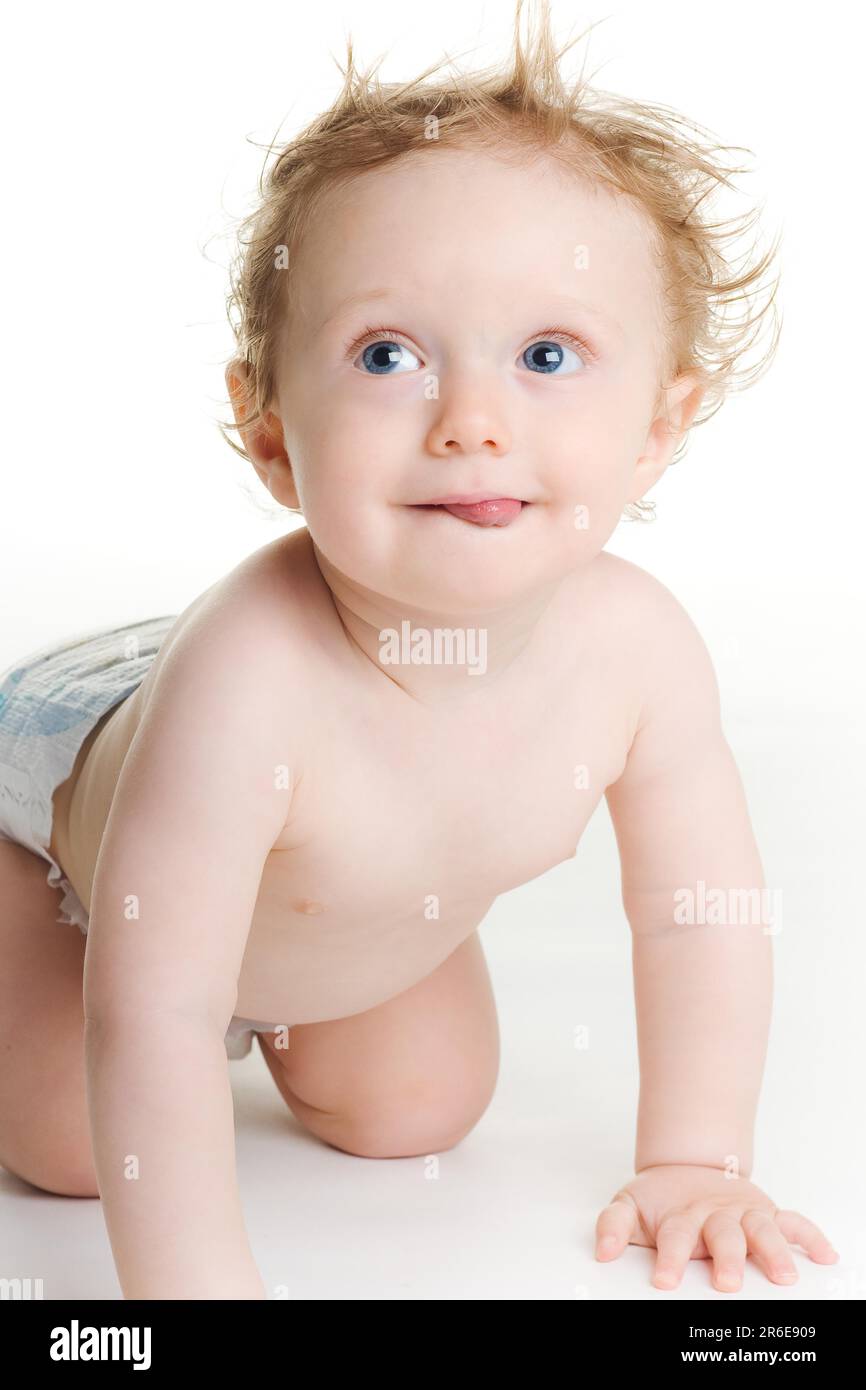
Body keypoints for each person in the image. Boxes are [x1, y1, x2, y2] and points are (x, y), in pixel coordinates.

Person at [0, 0, 837, 1298]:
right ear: (273, 433)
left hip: (343, 897)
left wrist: (695, 1155)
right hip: (73, 848)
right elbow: (153, 1009)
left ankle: (301, 984)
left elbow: (696, 912)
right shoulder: (247, 682)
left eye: (546, 354)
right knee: (70, 1144)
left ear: (658, 426)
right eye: (387, 354)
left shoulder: (637, 650)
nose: (472, 421)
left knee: (419, 1108)